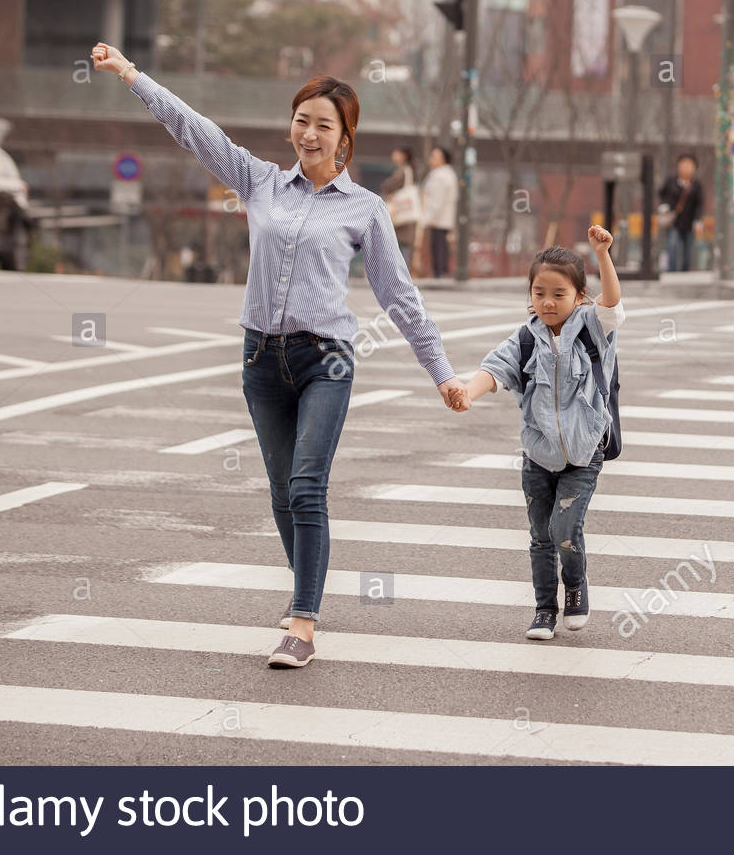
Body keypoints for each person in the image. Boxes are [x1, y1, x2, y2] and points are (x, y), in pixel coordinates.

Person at [90, 41, 468, 669]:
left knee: (307, 486)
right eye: (302, 120)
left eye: (325, 125)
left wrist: (442, 372)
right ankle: (307, 588)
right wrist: (131, 74)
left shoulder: (365, 209)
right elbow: (194, 130)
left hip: (328, 361)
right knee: (279, 491)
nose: (310, 133)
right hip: (261, 359)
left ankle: (303, 624)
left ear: (345, 139)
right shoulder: (258, 181)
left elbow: (397, 294)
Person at [448, 225, 624, 640]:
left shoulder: (594, 328)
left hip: (584, 452)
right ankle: (544, 609)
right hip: (537, 454)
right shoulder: (526, 338)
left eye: (559, 294)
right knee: (540, 536)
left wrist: (602, 255)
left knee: (564, 529)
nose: (547, 302)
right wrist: (468, 393)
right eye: (539, 292)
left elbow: (613, 303)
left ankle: (575, 586)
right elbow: (494, 370)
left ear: (579, 296)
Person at [658, 152, 703, 272]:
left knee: (688, 251)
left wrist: (697, 221)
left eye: (690, 165)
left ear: (694, 168)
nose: (686, 168)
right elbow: (661, 194)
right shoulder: (671, 181)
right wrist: (665, 207)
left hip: (689, 223)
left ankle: (685, 273)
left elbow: (699, 204)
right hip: (674, 222)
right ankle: (672, 271)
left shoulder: (696, 185)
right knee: (672, 245)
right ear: (678, 166)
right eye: (684, 164)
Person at [420, 145, 457, 278]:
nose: (431, 159)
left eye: (434, 156)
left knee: (438, 247)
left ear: (443, 159)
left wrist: (428, 218)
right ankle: (442, 273)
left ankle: (440, 274)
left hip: (438, 219)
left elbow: (437, 200)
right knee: (440, 246)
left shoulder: (440, 176)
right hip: (443, 218)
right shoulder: (447, 174)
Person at [380, 146, 420, 269]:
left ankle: (401, 273)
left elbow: (388, 185)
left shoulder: (403, 171)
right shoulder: (409, 170)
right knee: (404, 246)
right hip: (406, 214)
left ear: (403, 156)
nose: (393, 155)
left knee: (400, 245)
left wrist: (389, 191)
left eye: (396, 153)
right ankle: (404, 272)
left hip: (401, 215)